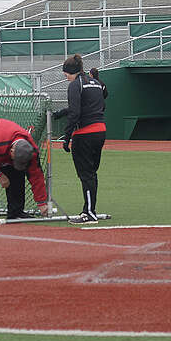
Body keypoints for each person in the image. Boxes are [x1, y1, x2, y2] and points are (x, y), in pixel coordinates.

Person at [53, 56, 107, 223]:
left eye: (66, 74)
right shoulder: (95, 82)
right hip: (100, 131)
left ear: (71, 72)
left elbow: (76, 113)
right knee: (91, 173)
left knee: (85, 174)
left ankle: (89, 213)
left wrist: (66, 137)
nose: (65, 77)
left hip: (84, 134)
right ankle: (90, 209)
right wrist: (63, 112)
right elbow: (102, 98)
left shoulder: (75, 85)